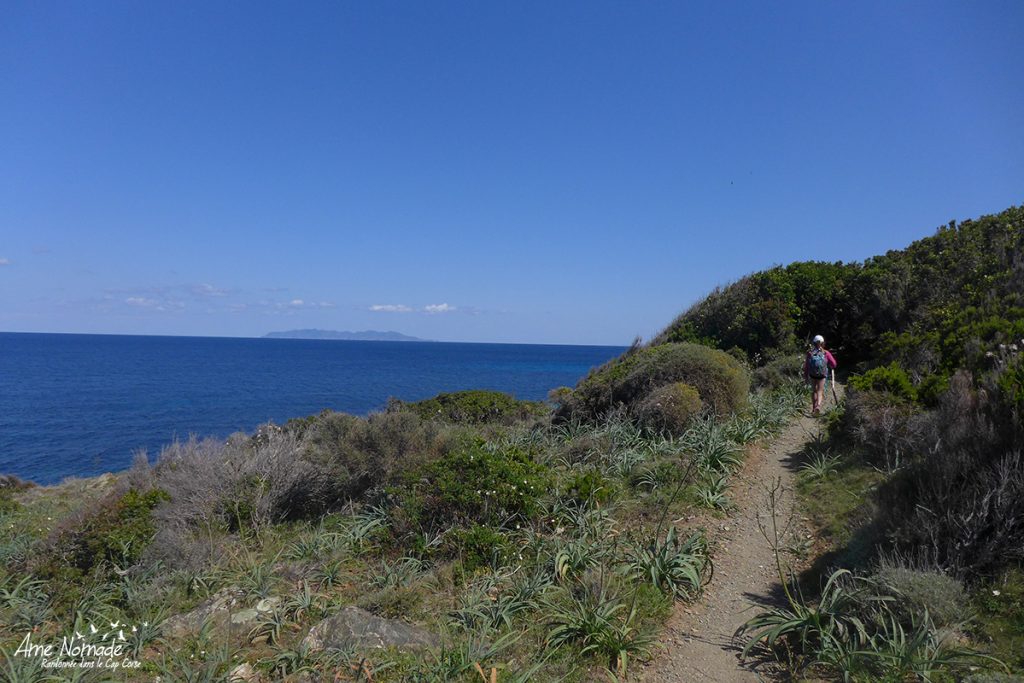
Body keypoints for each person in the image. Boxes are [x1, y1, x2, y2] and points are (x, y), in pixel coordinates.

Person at [803, 334, 837, 416]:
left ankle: (814, 408)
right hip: (822, 375)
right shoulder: (826, 353)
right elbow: (834, 364)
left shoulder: (810, 353)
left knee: (814, 390)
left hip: (812, 375)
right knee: (820, 391)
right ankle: (818, 406)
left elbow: (806, 366)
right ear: (822, 343)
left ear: (813, 343)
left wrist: (805, 376)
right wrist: (830, 366)